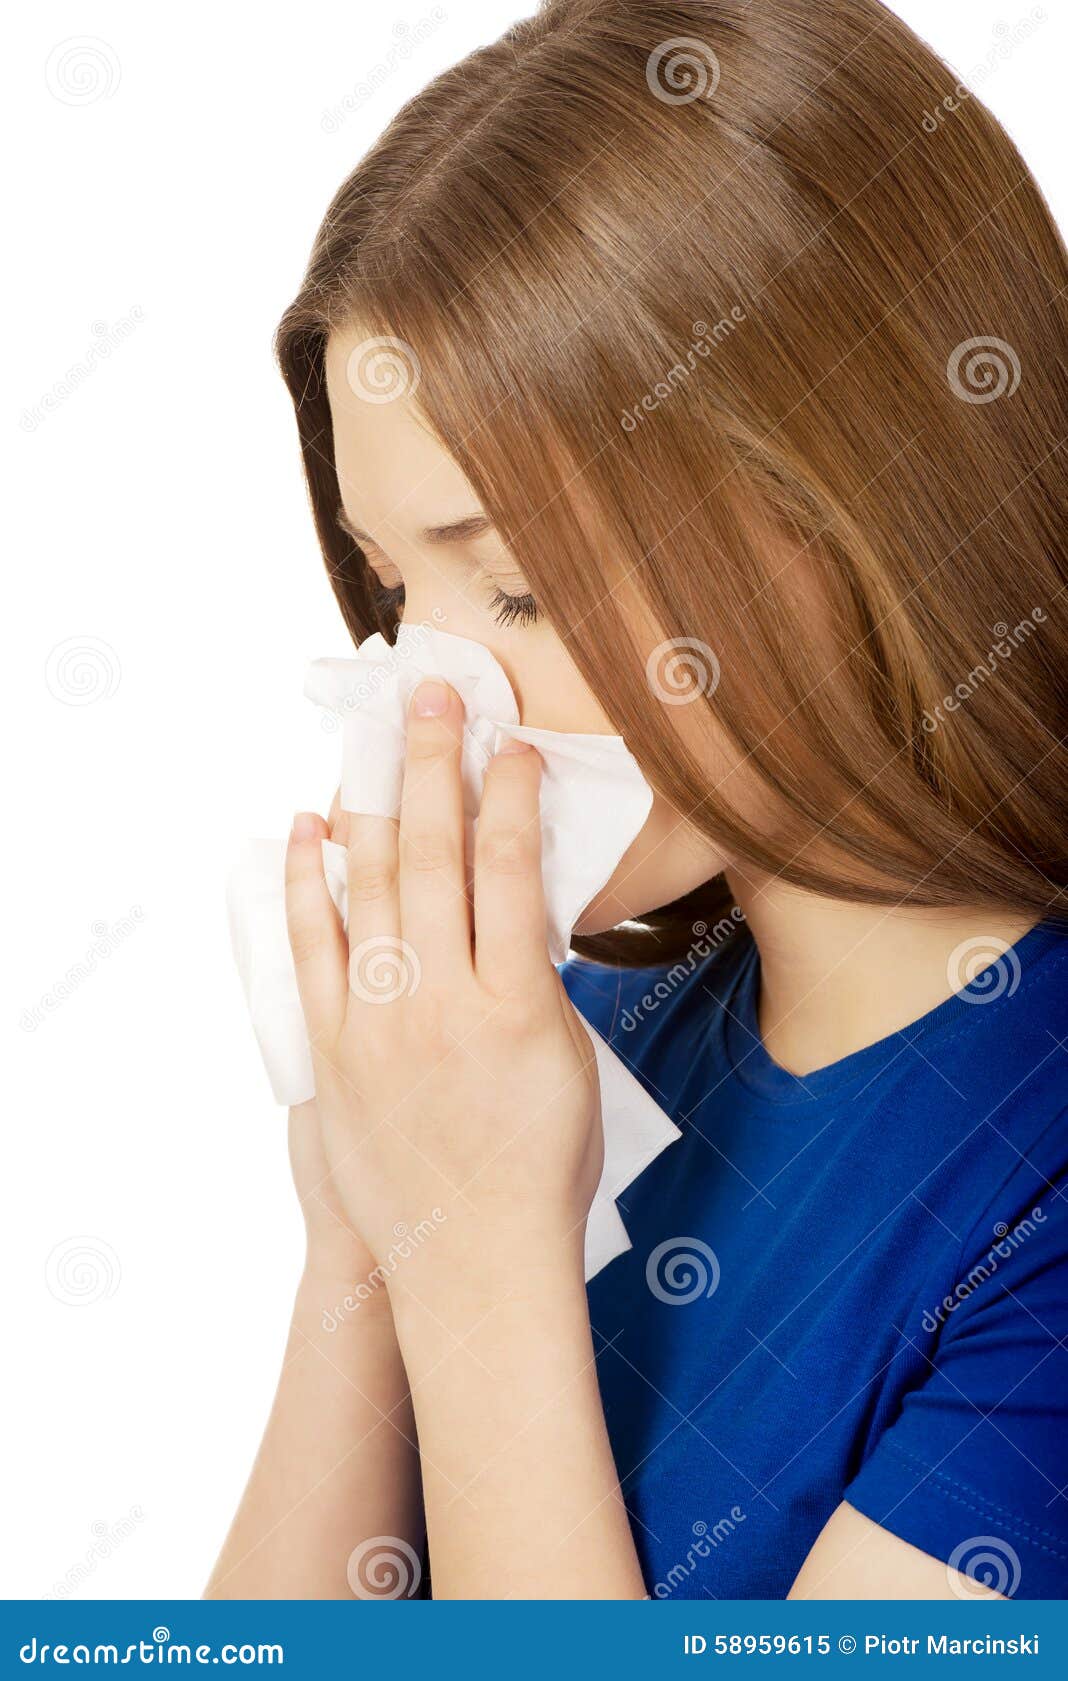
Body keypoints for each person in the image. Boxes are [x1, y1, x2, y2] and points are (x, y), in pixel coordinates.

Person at [207, 0, 1067, 1599]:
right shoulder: (582, 1053)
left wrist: (475, 1250)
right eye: (393, 590)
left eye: (517, 590)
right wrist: (366, 1230)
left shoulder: (1035, 1180)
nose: (429, 697)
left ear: (862, 507)